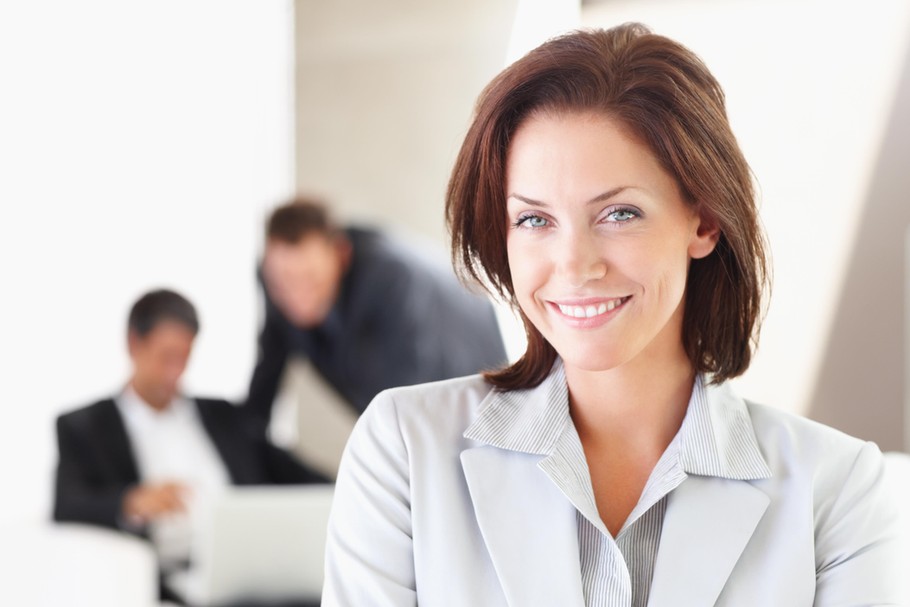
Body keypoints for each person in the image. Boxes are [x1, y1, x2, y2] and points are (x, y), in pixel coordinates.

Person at [322, 24, 905, 606]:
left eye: (620, 213)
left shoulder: (837, 488)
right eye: (533, 219)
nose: (574, 266)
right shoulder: (404, 448)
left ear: (702, 222)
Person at [54, 289, 326, 605]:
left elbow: (293, 470)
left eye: (183, 358)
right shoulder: (85, 426)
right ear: (134, 344)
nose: (175, 372)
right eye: (166, 357)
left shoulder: (224, 416)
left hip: (253, 571)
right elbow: (67, 503)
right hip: (171, 581)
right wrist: (131, 501)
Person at [246, 198, 507, 421]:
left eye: (310, 281)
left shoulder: (390, 278)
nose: (296, 298)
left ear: (341, 255)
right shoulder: (273, 282)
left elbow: (407, 401)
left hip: (467, 381)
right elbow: (267, 373)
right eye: (283, 283)